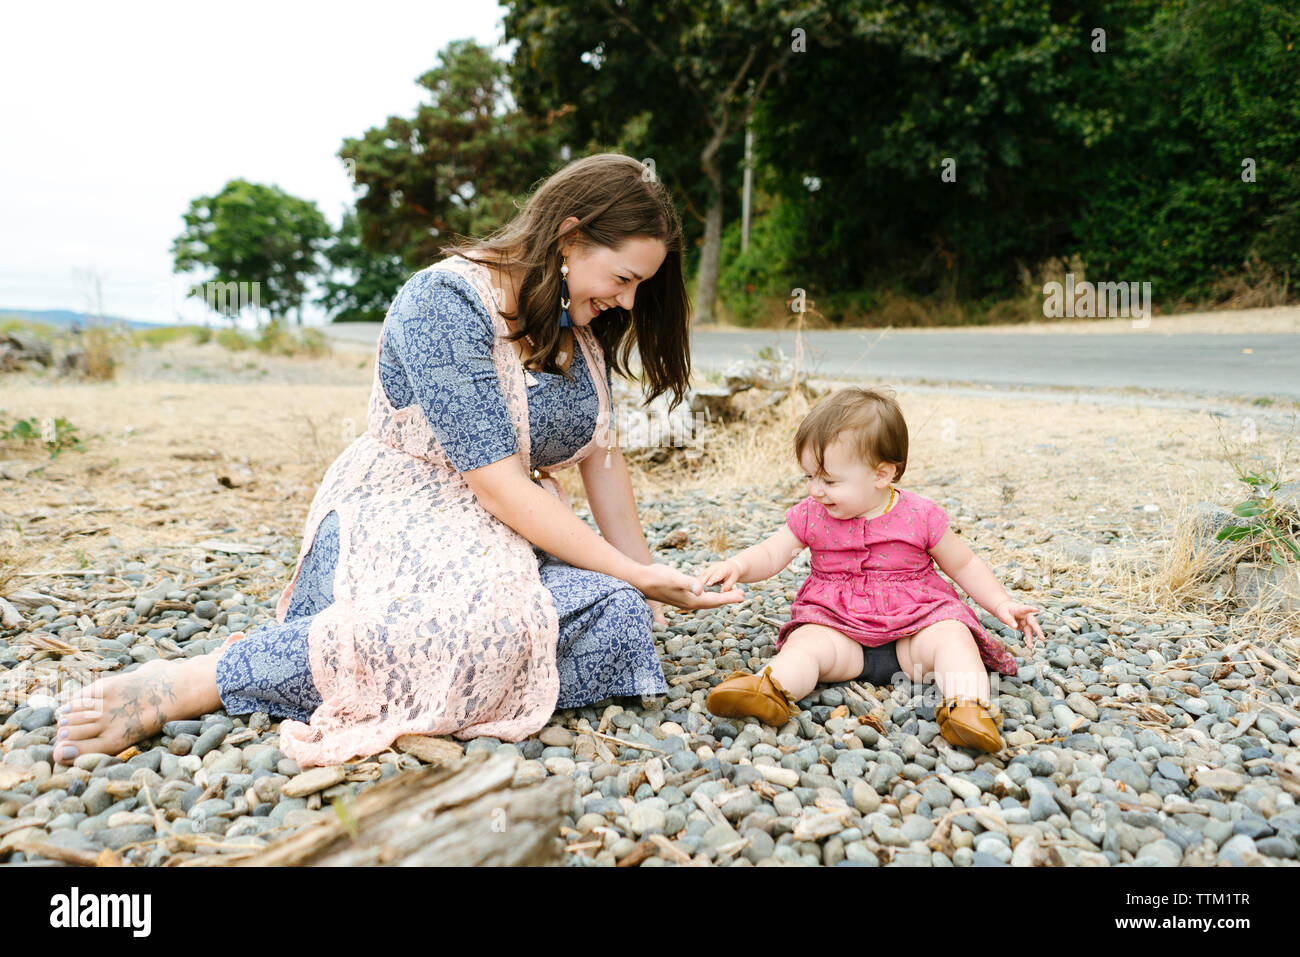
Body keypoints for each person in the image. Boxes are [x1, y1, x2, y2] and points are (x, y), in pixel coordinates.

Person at [53, 153, 742, 769]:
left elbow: (604, 461)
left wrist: (648, 580)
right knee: (484, 628)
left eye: (637, 287)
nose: (626, 300)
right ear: (569, 236)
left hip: (506, 540)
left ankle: (401, 660)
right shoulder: (442, 302)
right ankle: (202, 678)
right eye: (623, 278)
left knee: (619, 617)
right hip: (395, 525)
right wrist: (633, 572)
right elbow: (499, 486)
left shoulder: (583, 325)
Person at [697, 387, 1045, 752]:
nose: (816, 490)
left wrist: (1001, 604)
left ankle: (970, 708)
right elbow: (771, 553)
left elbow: (964, 563)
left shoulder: (919, 515)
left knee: (952, 637)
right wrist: (738, 564)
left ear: (881, 474)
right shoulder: (813, 515)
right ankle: (769, 689)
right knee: (805, 644)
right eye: (809, 477)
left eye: (829, 480)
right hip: (839, 632)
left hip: (915, 634)